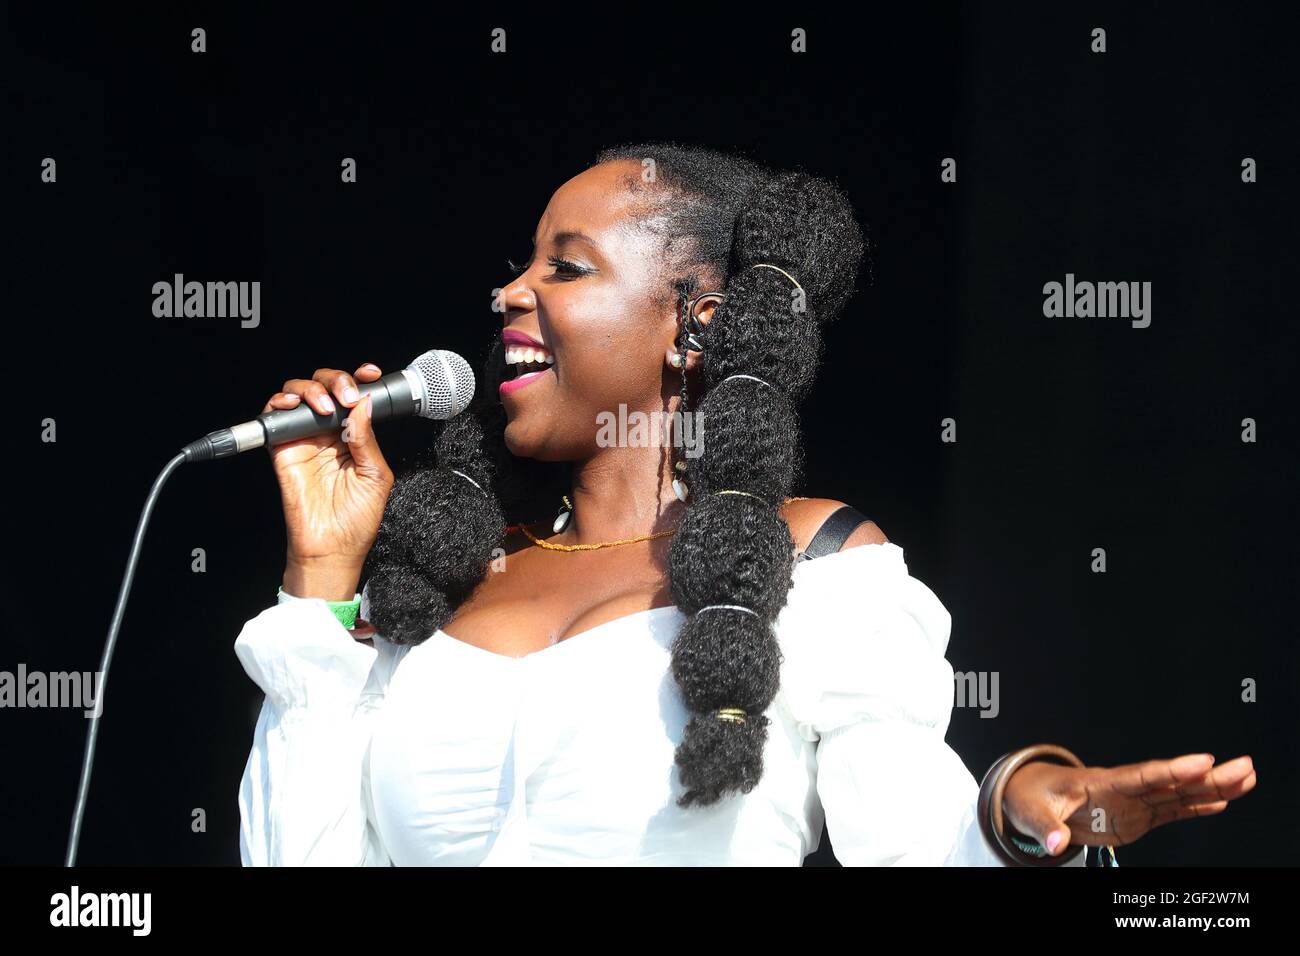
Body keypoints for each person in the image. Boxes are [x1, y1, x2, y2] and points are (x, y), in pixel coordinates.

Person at [235, 143, 1255, 865]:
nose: (511, 293)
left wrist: (1023, 815)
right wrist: (320, 577)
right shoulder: (441, 589)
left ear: (697, 320)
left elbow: (915, 848)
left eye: (565, 265)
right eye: (518, 265)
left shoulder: (813, 564)